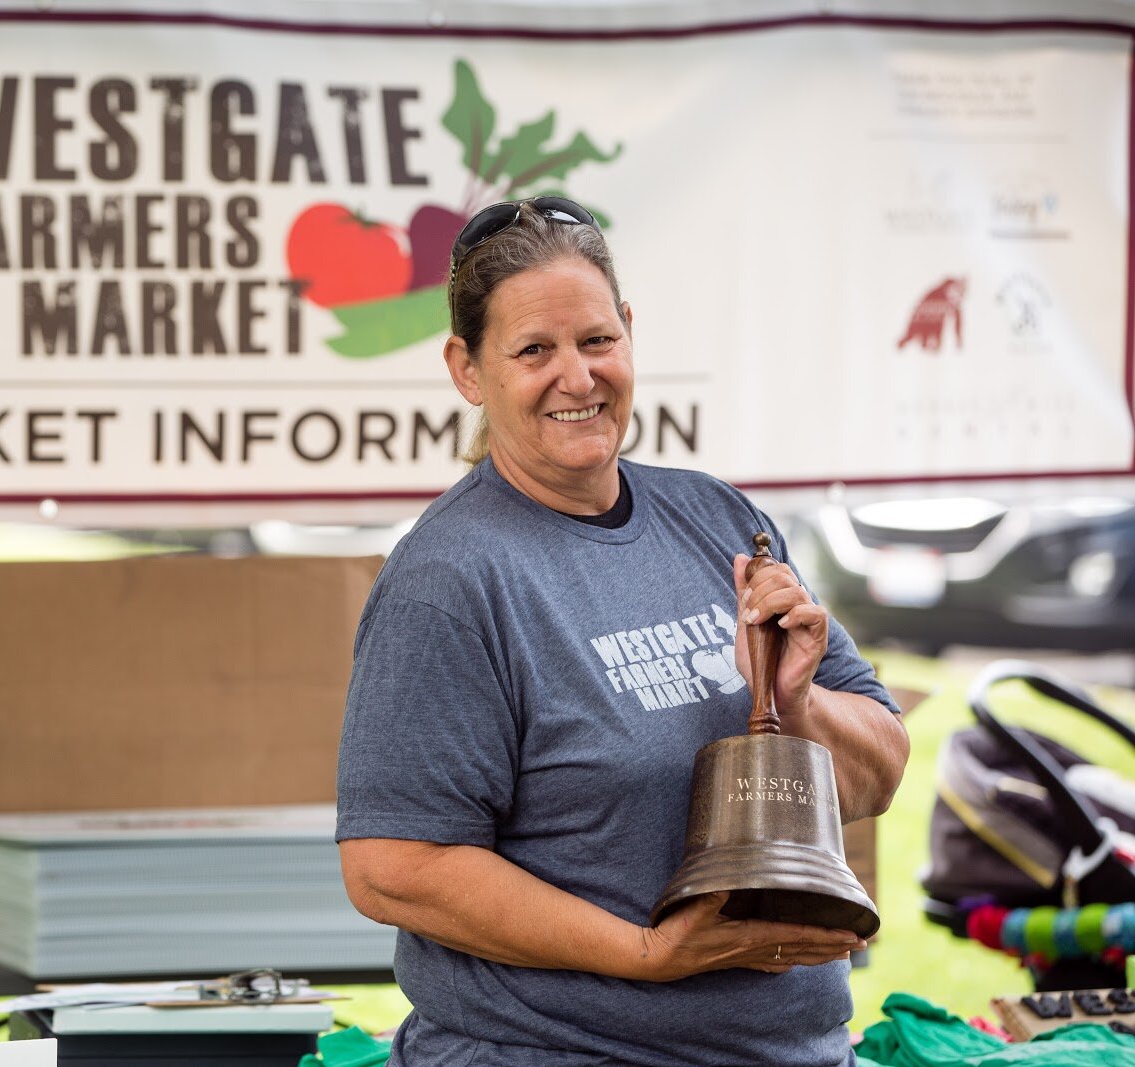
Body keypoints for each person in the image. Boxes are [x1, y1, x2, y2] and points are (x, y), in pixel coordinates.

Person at [335, 198, 910, 1066]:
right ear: (466, 368)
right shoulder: (451, 582)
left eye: (597, 340)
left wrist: (798, 703)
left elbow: (877, 776)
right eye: (535, 350)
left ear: (630, 334)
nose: (577, 377)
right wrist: (646, 954)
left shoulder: (718, 519)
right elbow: (392, 865)